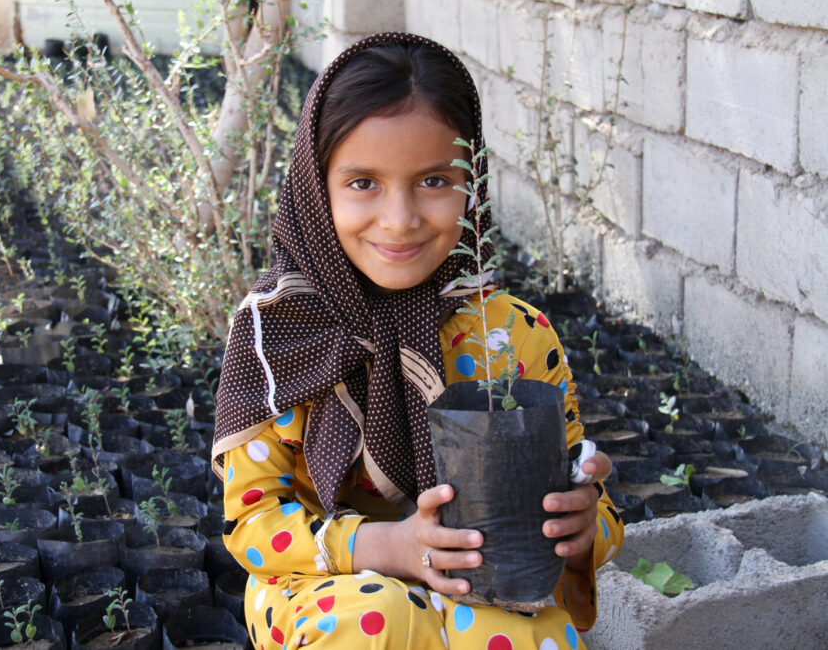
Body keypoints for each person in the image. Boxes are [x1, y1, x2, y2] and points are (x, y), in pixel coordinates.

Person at [212, 32, 623, 649]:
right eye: (362, 184)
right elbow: (253, 519)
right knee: (377, 621)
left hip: (477, 572)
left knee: (514, 631)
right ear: (314, 189)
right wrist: (392, 546)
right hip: (323, 579)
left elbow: (589, 498)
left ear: (473, 183)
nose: (400, 218)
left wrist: (587, 524)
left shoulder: (510, 334)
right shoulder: (282, 335)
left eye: (434, 181)